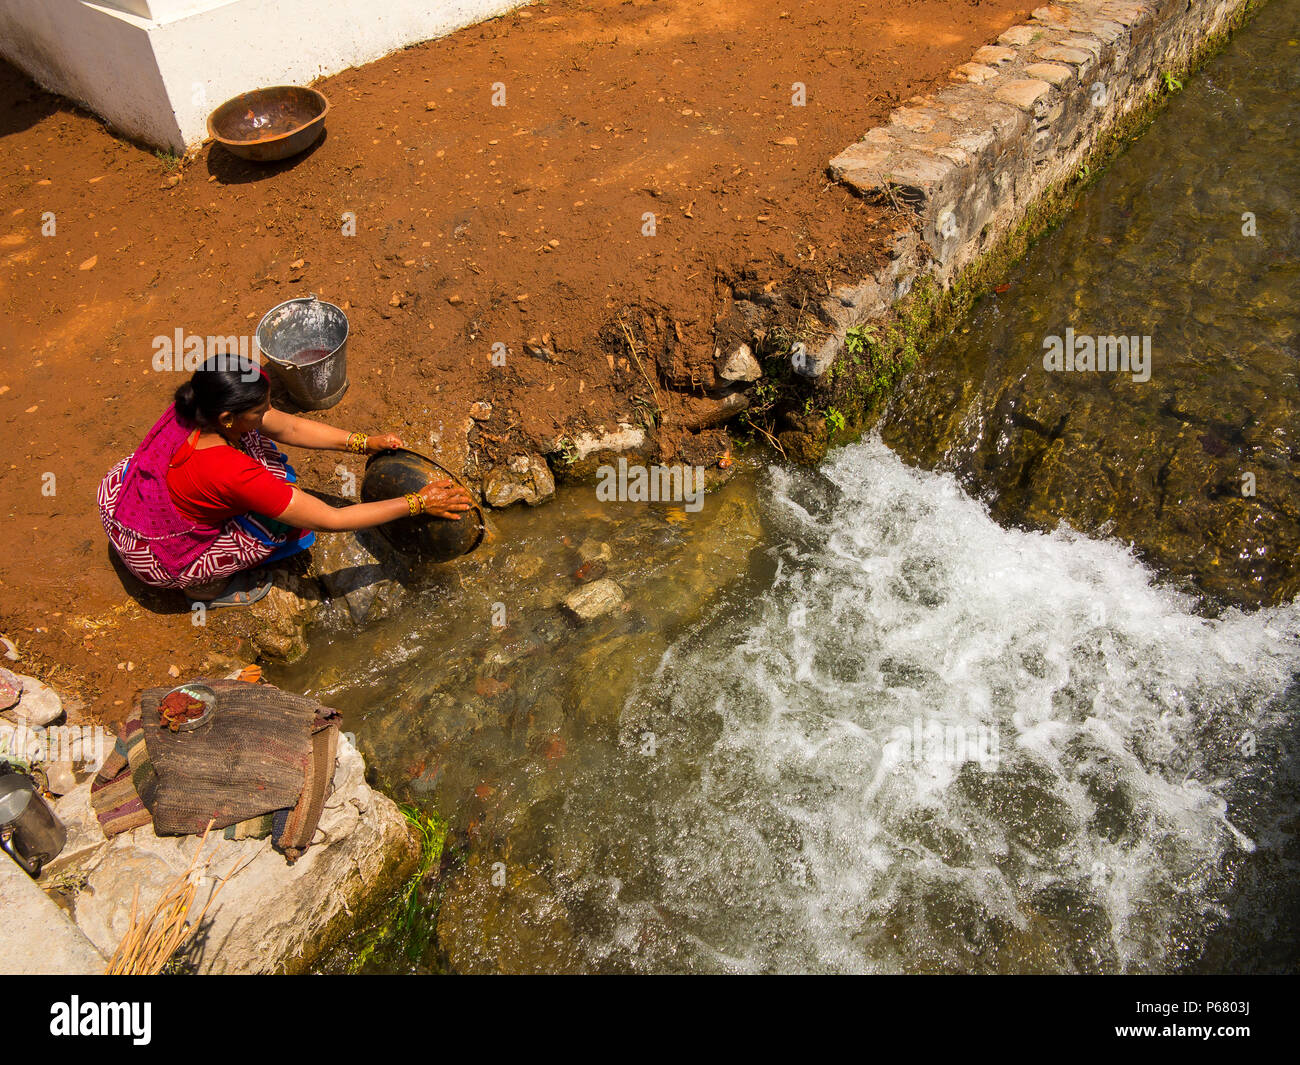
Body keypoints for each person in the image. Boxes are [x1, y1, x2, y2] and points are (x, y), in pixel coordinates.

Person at [98, 355, 473, 607]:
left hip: (129, 503)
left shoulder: (196, 407)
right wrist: (418, 503)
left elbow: (287, 425)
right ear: (228, 417)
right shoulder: (231, 471)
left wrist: (362, 443)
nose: (267, 415)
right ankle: (206, 586)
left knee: (259, 447)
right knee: (279, 518)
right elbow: (332, 519)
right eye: (259, 410)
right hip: (163, 558)